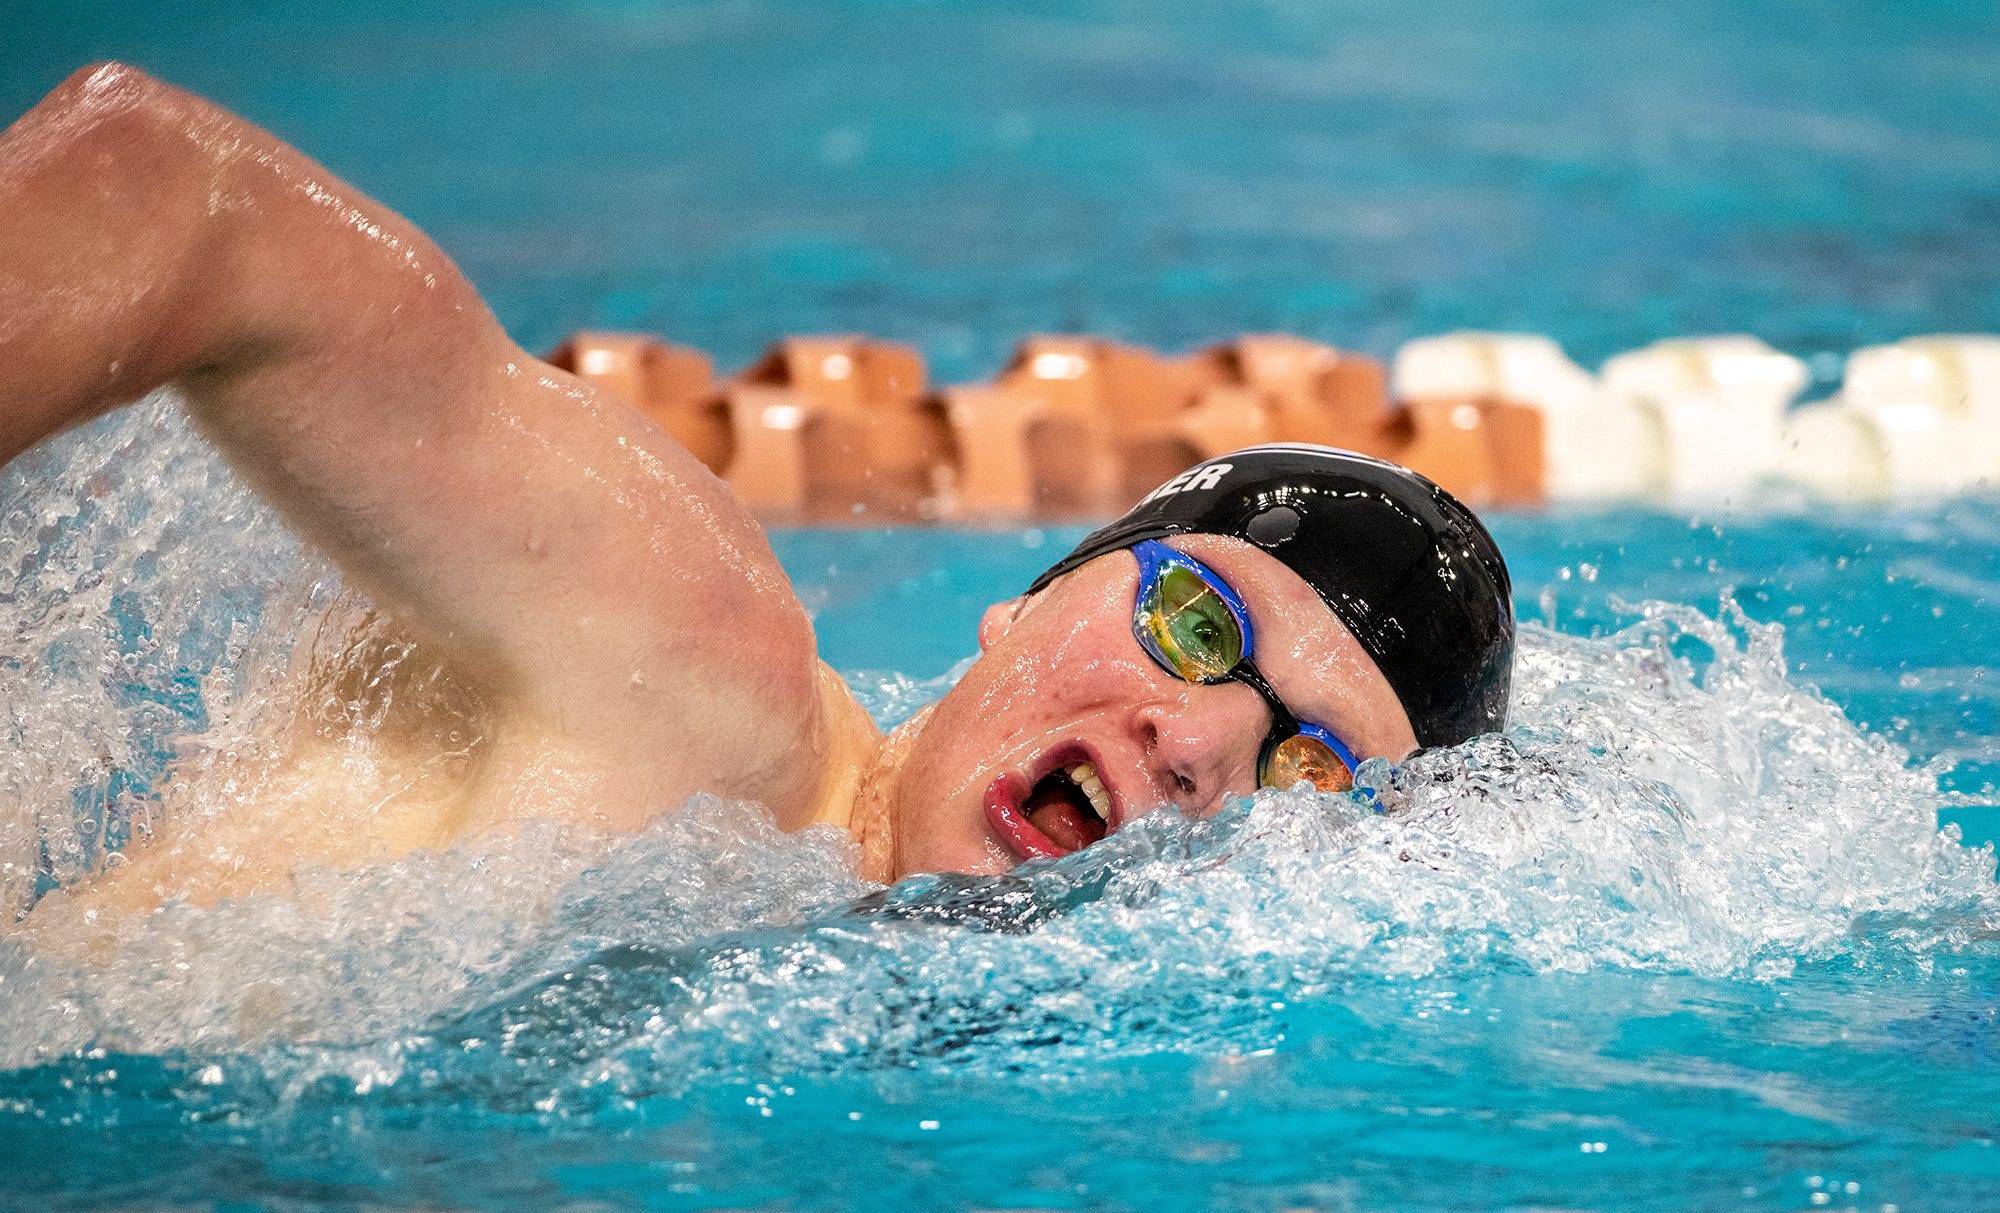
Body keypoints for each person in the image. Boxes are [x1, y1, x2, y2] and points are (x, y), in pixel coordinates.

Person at [0, 64, 1513, 915]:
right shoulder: (697, 670)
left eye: (1307, 768)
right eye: (1195, 622)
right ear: (1025, 601)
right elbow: (177, 198)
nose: (1198, 744)